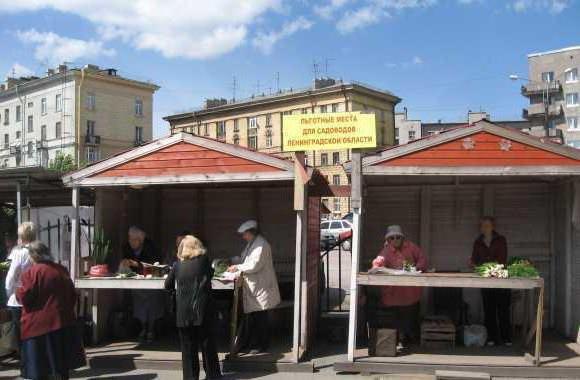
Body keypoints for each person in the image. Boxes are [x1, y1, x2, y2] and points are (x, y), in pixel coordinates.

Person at [17, 241, 85, 379]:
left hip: (39, 327)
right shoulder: (61, 270)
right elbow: (72, 295)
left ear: (33, 256)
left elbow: (25, 297)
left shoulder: (31, 273)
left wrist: (17, 292)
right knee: (61, 366)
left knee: (41, 369)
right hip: (63, 322)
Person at [165, 235, 221, 380]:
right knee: (207, 345)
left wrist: (178, 295)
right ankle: (213, 376)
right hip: (202, 311)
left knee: (188, 348)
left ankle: (190, 377)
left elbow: (167, 285)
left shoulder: (177, 265)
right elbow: (211, 274)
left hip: (183, 313)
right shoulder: (204, 261)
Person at [227, 220, 280, 354]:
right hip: (255, 287)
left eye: (244, 234)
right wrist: (234, 261)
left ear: (251, 233)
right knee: (254, 316)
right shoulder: (252, 243)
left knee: (260, 317)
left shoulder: (261, 245)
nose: (243, 237)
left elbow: (254, 265)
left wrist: (237, 267)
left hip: (260, 287)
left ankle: (261, 345)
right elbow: (244, 259)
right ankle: (252, 343)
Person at [370, 225, 428, 347]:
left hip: (410, 291)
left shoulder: (411, 247)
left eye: (398, 237)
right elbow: (378, 262)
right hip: (394, 293)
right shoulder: (385, 250)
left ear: (402, 238)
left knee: (410, 315)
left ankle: (408, 338)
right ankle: (395, 339)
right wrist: (377, 266)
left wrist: (416, 268)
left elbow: (422, 259)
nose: (395, 240)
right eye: (392, 238)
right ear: (388, 240)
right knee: (395, 318)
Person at [471, 216, 511, 346]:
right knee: (489, 310)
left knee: (503, 310)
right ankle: (491, 338)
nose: (484, 228)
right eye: (482, 226)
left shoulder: (501, 240)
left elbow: (502, 261)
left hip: (501, 279)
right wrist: (473, 264)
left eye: (487, 225)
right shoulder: (478, 242)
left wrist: (485, 268)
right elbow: (474, 260)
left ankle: (506, 338)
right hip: (486, 281)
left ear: (493, 226)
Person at [120, 226, 164, 342]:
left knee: (153, 305)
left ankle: (151, 330)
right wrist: (125, 263)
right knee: (139, 306)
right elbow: (125, 260)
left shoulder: (150, 247)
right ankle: (143, 329)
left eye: (133, 239)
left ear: (140, 240)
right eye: (129, 238)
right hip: (136, 281)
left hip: (151, 281)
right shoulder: (126, 247)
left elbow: (155, 264)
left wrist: (136, 264)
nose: (130, 241)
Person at [5, 222, 36, 353]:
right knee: (33, 331)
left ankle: (25, 362)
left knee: (20, 332)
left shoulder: (20, 253)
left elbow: (11, 277)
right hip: (34, 296)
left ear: (22, 236)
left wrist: (8, 292)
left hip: (18, 298)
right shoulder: (38, 251)